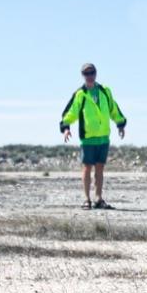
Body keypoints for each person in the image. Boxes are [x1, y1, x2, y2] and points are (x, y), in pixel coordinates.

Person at [59, 63, 127, 209]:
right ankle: (86, 199)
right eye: (86, 74)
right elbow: (71, 112)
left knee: (100, 168)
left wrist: (120, 124)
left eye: (92, 73)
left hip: (103, 137)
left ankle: (98, 198)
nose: (89, 76)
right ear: (83, 76)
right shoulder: (80, 94)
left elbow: (113, 109)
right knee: (87, 168)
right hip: (88, 138)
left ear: (96, 74)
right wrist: (65, 127)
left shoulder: (105, 91)